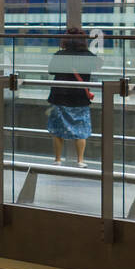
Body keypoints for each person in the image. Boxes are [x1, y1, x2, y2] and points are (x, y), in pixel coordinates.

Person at [47, 27, 96, 167]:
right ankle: (80, 160)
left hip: (59, 95)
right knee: (80, 130)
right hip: (80, 97)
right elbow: (98, 66)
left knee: (57, 130)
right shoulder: (88, 55)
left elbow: (51, 71)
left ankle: (57, 159)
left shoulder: (60, 54)